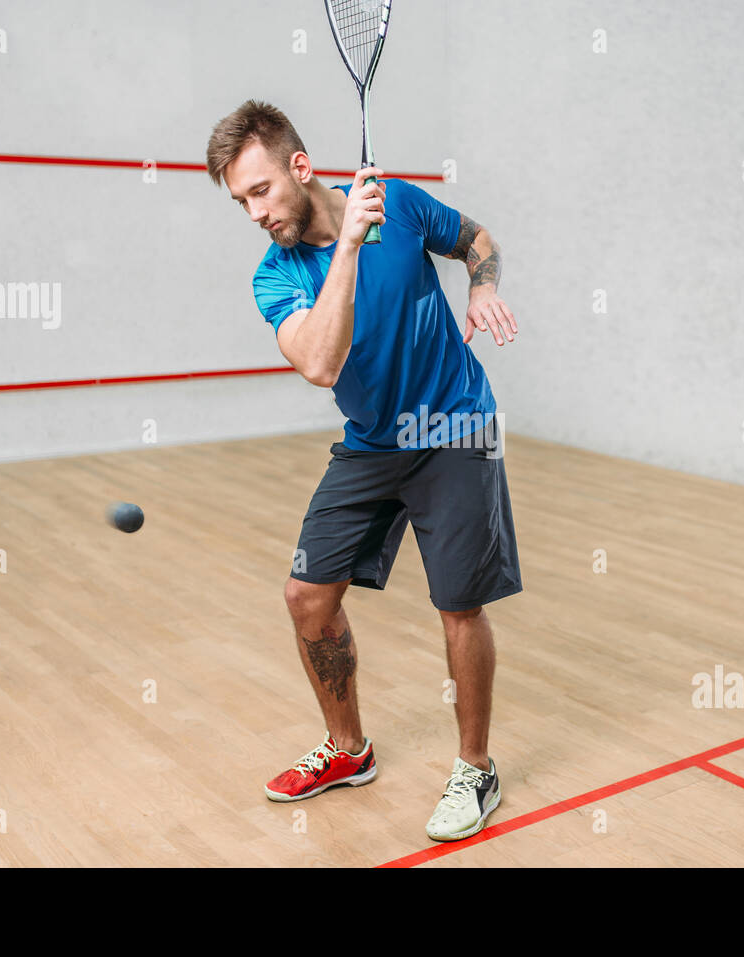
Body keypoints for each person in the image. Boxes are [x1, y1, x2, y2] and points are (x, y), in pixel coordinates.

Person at [206, 99, 522, 841]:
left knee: (458, 605)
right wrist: (346, 246)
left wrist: (482, 285)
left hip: (454, 424)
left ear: (300, 167)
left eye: (260, 191)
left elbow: (476, 239)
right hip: (373, 441)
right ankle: (349, 750)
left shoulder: (401, 204)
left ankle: (476, 767)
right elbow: (320, 362)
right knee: (306, 597)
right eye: (239, 202)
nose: (253, 213)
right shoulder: (275, 277)